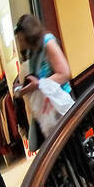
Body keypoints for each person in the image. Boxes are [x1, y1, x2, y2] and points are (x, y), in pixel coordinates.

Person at [11, 14, 73, 152]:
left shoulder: (47, 42)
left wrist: (38, 84)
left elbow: (64, 74)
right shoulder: (32, 52)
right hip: (48, 106)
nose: (20, 43)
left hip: (60, 104)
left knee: (71, 148)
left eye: (21, 39)